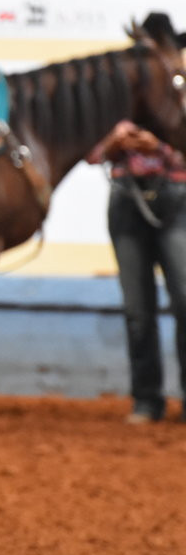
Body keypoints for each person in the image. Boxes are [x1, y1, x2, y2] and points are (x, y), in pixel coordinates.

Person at [89, 119, 186, 423]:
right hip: (126, 198)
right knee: (137, 309)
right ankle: (146, 399)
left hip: (177, 197)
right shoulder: (112, 100)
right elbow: (90, 154)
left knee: (185, 300)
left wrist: (160, 148)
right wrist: (112, 144)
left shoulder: (176, 99)